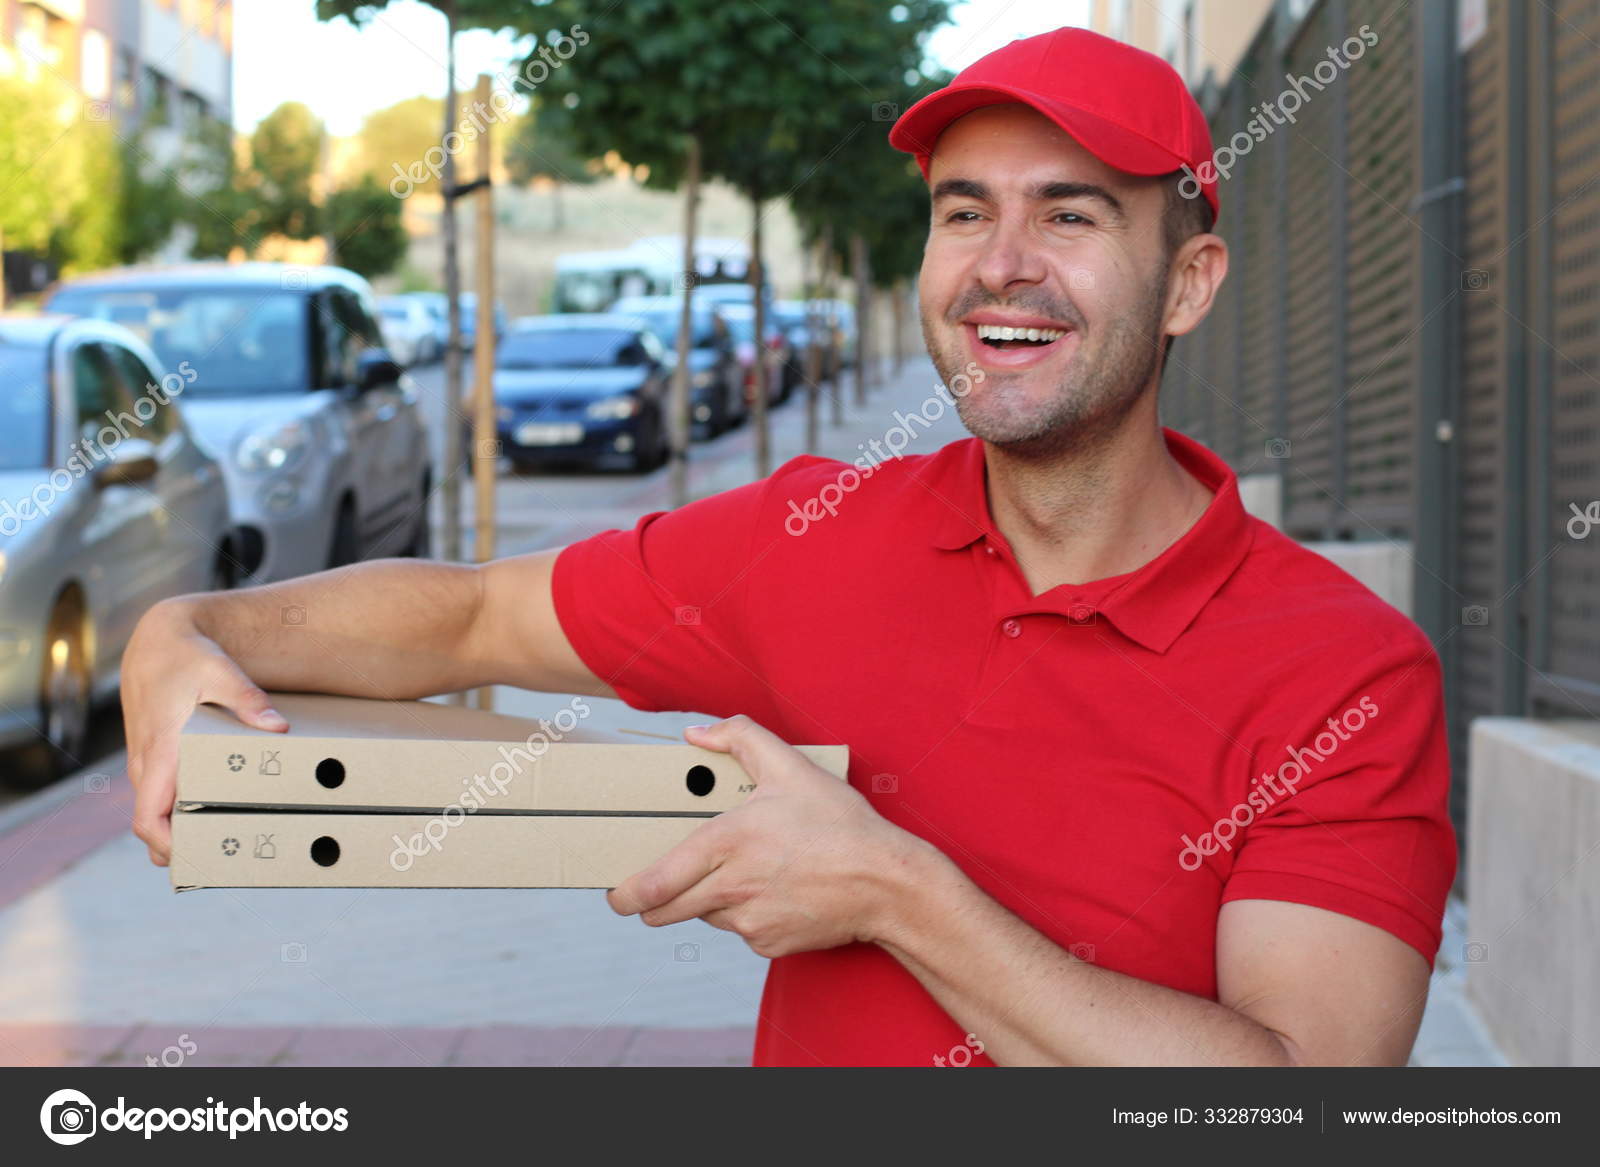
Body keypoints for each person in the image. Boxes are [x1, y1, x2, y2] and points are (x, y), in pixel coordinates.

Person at [122, 27, 1455, 1066]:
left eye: (1072, 214)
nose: (1002, 264)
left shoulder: (1344, 675)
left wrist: (889, 889)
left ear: (1189, 282)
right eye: (962, 210)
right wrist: (193, 632)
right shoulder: (819, 535)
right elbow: (469, 619)